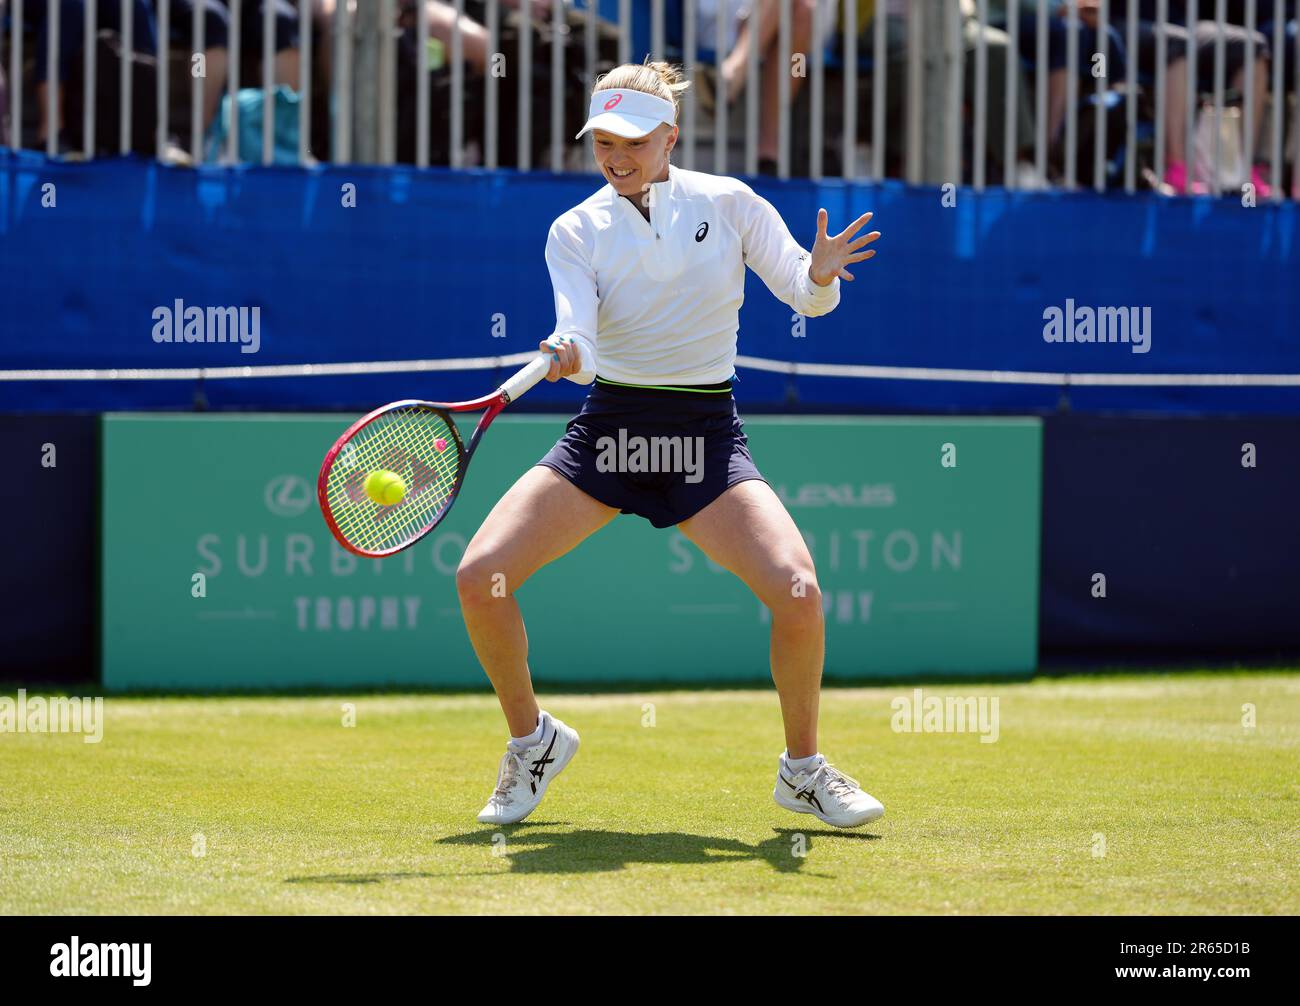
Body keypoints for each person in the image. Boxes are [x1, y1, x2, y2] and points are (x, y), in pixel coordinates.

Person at [456, 58, 886, 830]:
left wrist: (821, 277)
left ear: (669, 137)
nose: (615, 156)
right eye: (601, 142)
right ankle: (534, 742)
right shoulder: (575, 230)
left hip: (703, 438)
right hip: (609, 433)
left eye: (630, 139)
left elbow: (804, 292)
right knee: (480, 575)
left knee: (798, 593)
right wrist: (567, 352)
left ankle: (804, 771)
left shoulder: (729, 202)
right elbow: (579, 332)